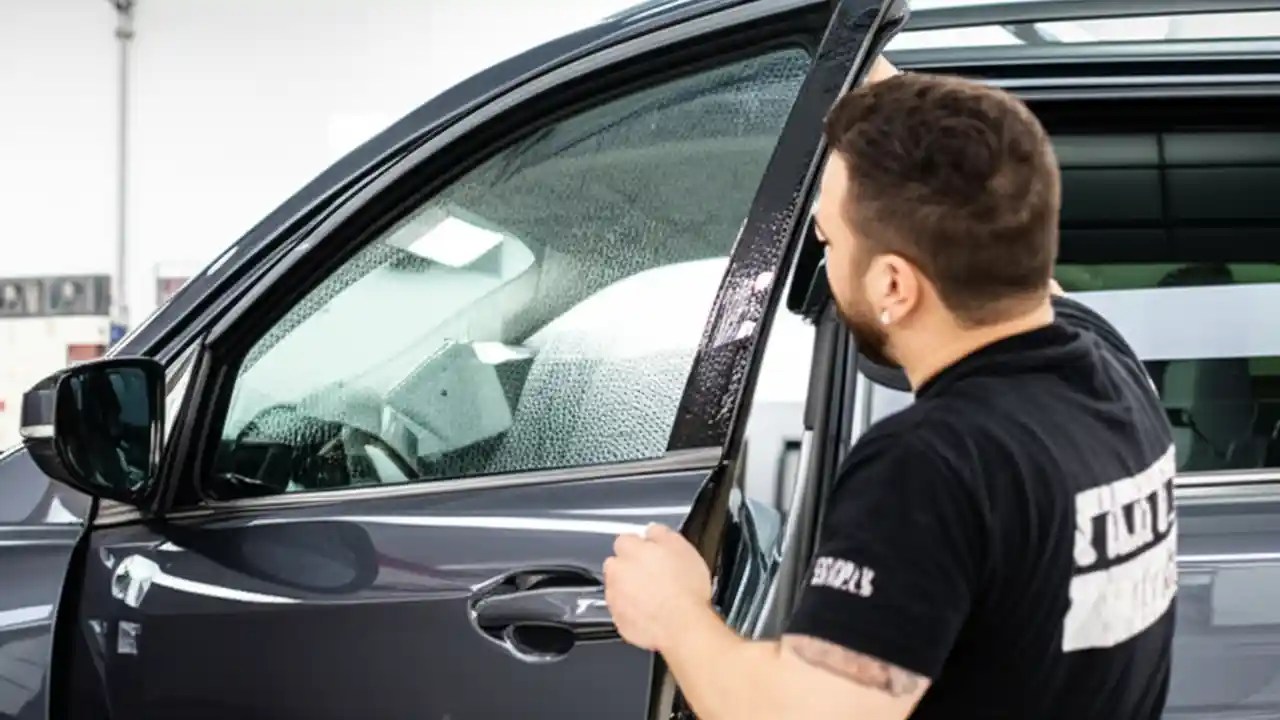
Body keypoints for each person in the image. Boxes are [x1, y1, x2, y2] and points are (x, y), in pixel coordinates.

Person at [602, 57, 1176, 719]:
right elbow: (972, 179)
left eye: (829, 241)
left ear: (894, 286)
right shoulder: (1106, 364)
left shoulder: (930, 466)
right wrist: (850, 50)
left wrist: (675, 614)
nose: (828, 260)